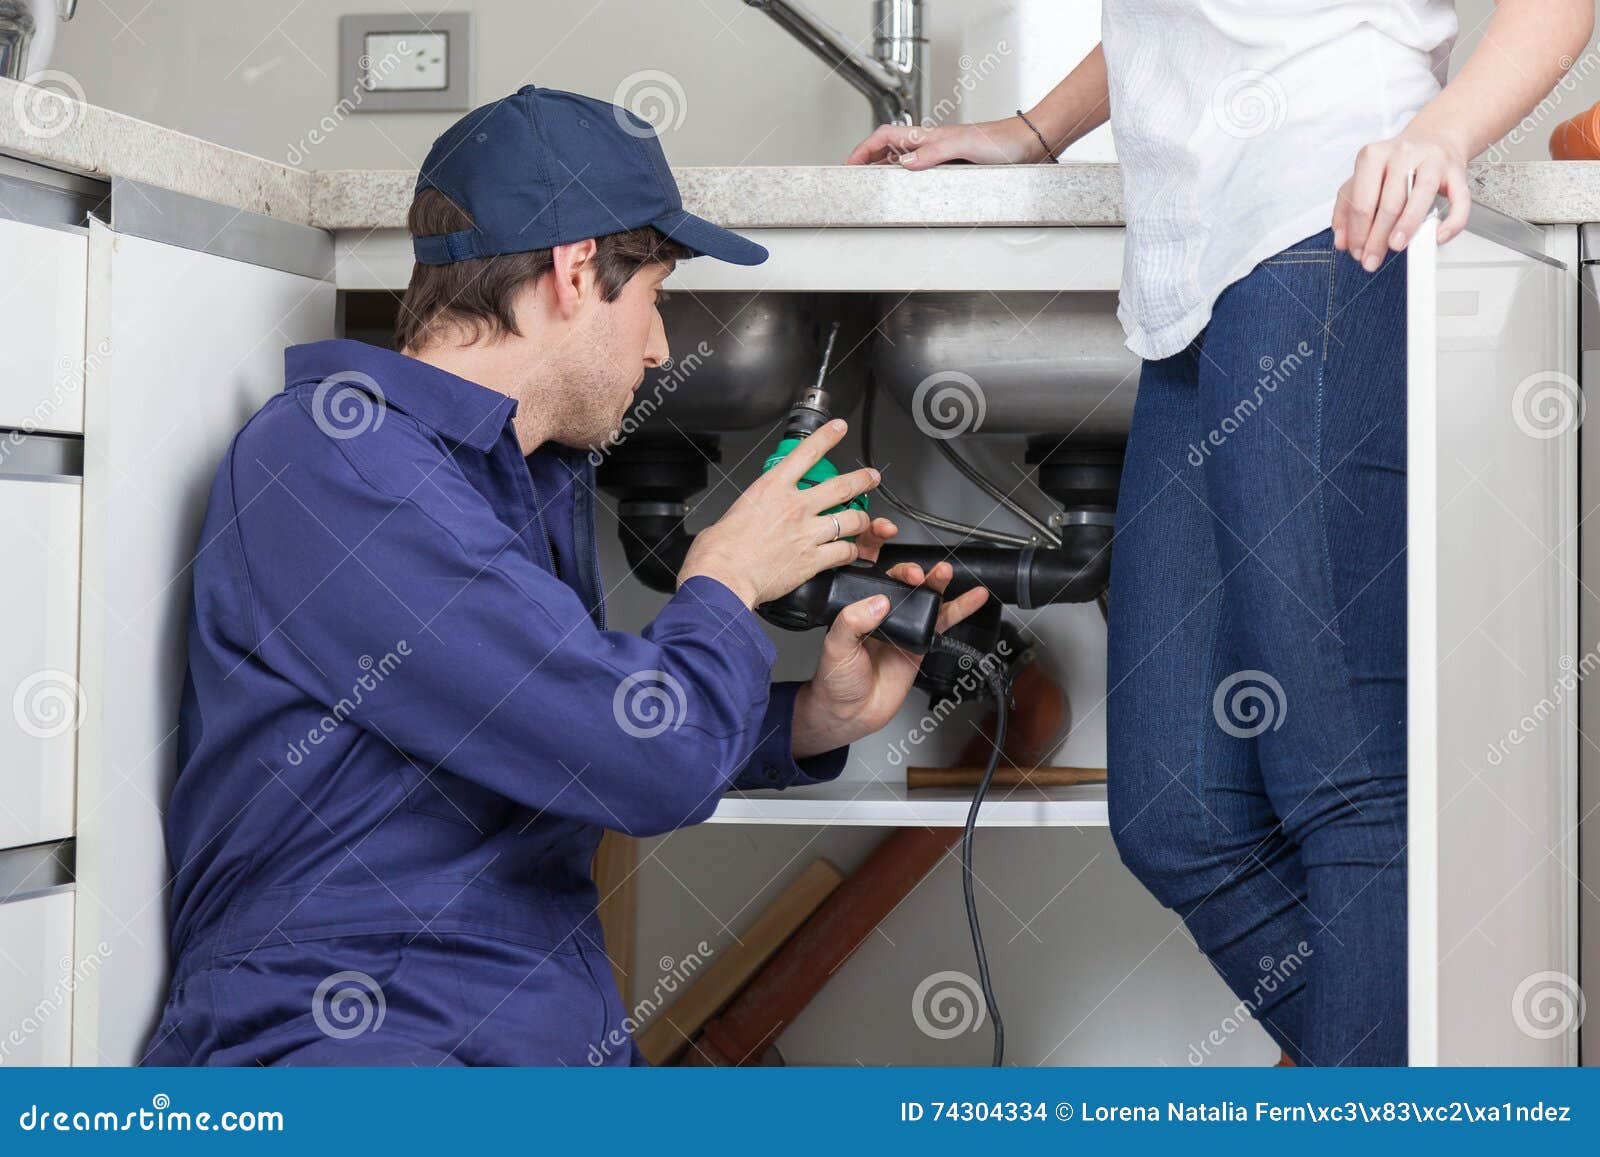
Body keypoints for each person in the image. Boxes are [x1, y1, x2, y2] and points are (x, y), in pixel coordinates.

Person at [144, 85, 988, 1067]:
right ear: (575, 270)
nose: (661, 346)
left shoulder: (513, 473)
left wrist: (810, 721)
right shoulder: (332, 460)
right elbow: (645, 762)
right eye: (656, 295)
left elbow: (574, 723)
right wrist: (720, 578)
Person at [848, 0, 1593, 1066]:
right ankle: (1439, 1098)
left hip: (1327, 220)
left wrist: (1446, 129)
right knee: (1179, 811)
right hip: (1194, 272)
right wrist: (1037, 130)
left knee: (1348, 778)